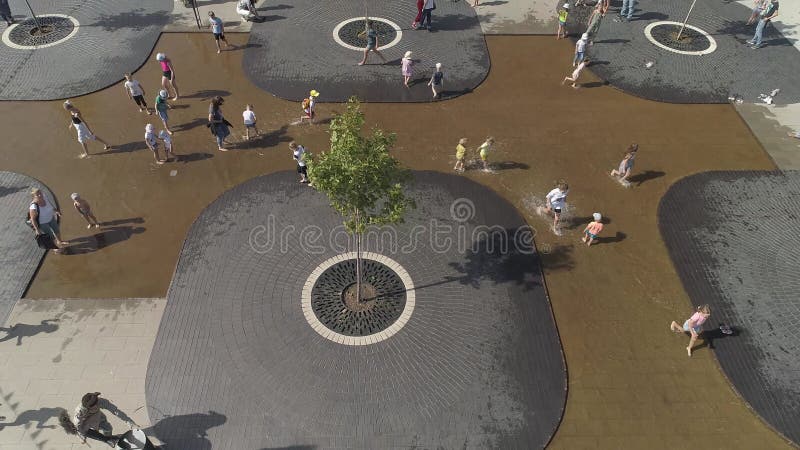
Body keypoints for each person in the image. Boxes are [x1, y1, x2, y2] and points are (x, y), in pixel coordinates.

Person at [29, 188, 67, 253]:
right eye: (37, 195)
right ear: (34, 196)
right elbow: (33, 219)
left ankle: (59, 241)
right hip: (43, 223)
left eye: (40, 193)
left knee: (56, 230)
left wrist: (56, 211)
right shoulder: (34, 206)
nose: (40, 195)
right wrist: (37, 230)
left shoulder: (44, 196)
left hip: (51, 218)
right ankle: (55, 248)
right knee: (50, 236)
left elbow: (50, 204)